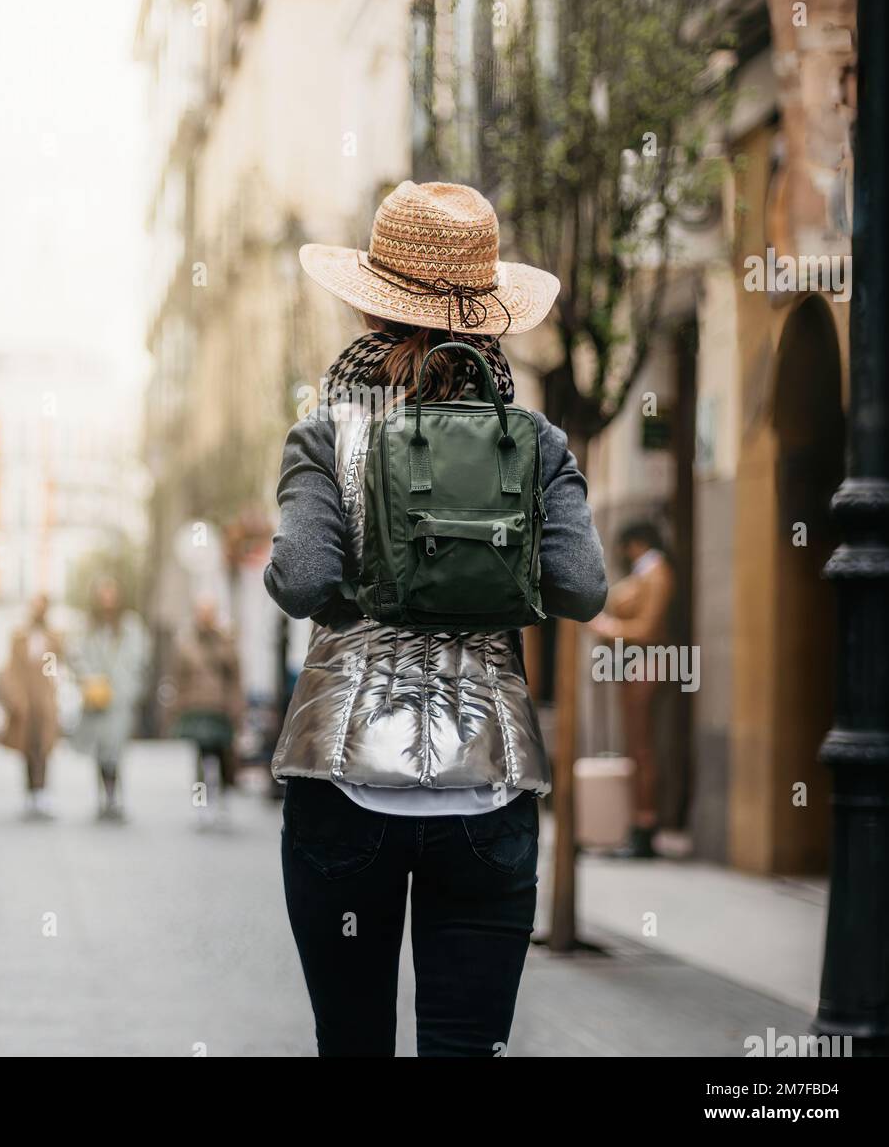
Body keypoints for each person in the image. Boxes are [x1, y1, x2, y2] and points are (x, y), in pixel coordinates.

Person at [265, 180, 608, 1058]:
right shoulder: (533, 441)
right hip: (486, 790)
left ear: (375, 309)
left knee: (352, 1044)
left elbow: (302, 579)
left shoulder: (327, 432)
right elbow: (581, 587)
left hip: (343, 787)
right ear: (491, 318)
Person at [589, 521, 676, 859]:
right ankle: (639, 824)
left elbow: (647, 627)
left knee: (642, 748)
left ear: (636, 544)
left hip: (646, 663)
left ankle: (645, 825)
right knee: (637, 746)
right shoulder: (647, 573)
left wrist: (608, 628)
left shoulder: (656, 573)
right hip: (635, 664)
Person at [71, 577, 149, 821]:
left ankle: (114, 797)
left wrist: (131, 687)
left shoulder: (130, 625)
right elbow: (75, 655)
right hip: (97, 699)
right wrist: (89, 679)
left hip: (120, 700)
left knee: (116, 751)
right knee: (101, 751)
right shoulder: (87, 626)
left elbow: (140, 659)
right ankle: (104, 798)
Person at [167, 596, 244, 829]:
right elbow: (178, 679)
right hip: (196, 708)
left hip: (220, 709)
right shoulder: (186, 643)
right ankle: (201, 805)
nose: (205, 617)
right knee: (201, 760)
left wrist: (237, 708)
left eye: (209, 613)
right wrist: (176, 707)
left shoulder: (225, 642)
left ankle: (223, 802)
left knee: (223, 758)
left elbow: (235, 678)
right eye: (202, 612)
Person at [0, 593, 63, 819]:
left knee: (43, 747)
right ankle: (29, 792)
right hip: (25, 700)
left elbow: (55, 667)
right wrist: (16, 696)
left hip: (44, 699)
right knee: (26, 747)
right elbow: (13, 668)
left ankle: (42, 792)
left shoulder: (53, 637)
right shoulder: (20, 636)